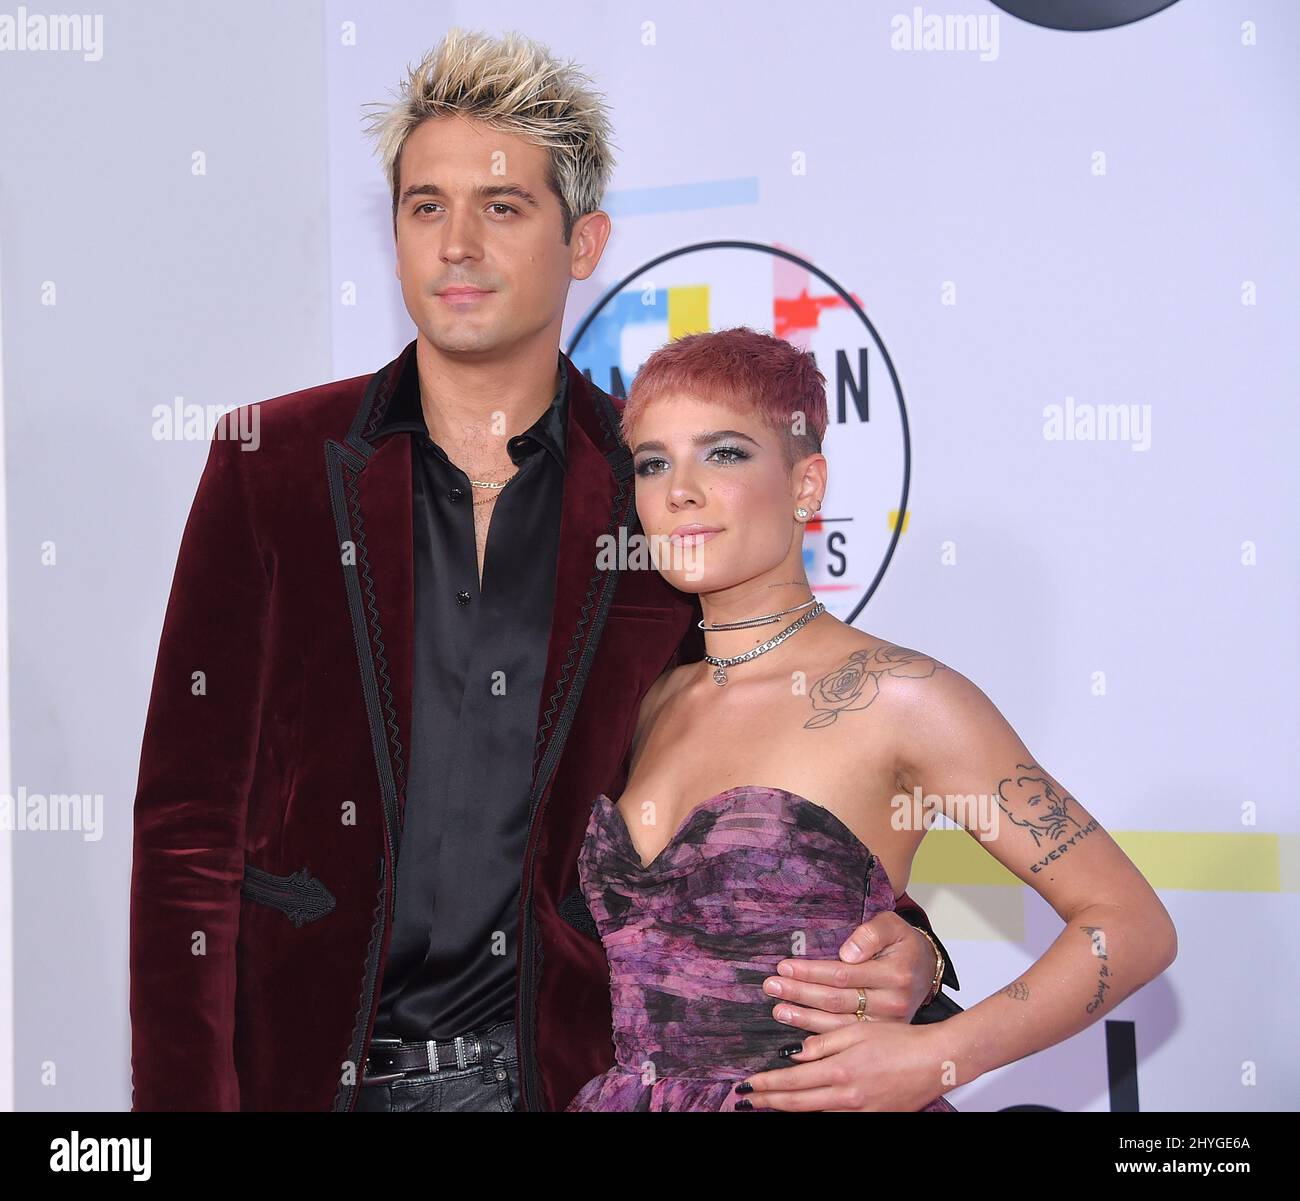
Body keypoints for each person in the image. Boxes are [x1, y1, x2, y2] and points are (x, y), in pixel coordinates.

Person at [127, 29, 954, 1113]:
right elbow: (187, 826)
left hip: (570, 1080)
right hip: (313, 1078)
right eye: (425, 207)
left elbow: (790, 737)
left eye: (503, 206)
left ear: (585, 241)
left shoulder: (657, 490)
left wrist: (911, 943)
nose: (456, 245)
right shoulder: (268, 464)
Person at [565, 326, 1178, 1111]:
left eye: (723, 453)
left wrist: (943, 1056)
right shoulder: (650, 700)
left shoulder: (903, 696)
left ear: (806, 484)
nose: (679, 488)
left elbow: (1130, 923)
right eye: (654, 461)